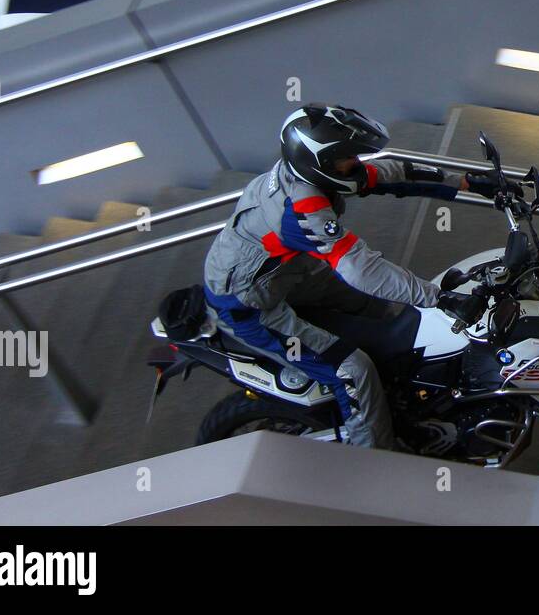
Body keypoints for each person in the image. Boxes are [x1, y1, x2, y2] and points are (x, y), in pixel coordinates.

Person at [202, 105, 494, 449]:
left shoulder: (308, 172)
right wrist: (438, 296)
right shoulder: (300, 211)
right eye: (348, 157)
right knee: (353, 370)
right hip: (247, 304)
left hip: (288, 273)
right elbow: (362, 268)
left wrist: (465, 182)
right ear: (321, 162)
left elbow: (390, 174)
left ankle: (402, 399)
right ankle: (373, 462)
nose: (356, 163)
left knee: (383, 311)